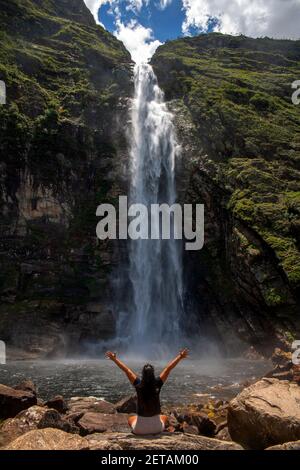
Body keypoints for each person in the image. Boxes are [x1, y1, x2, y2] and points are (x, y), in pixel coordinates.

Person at [105, 348, 189, 435]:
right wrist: (180, 357)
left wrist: (114, 359)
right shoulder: (157, 383)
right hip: (157, 428)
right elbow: (168, 369)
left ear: (143, 374)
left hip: (140, 430)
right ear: (153, 374)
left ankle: (137, 430)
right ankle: (163, 429)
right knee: (164, 417)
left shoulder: (138, 384)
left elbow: (127, 370)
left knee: (130, 419)